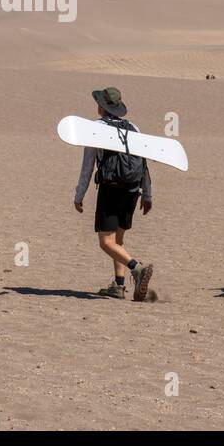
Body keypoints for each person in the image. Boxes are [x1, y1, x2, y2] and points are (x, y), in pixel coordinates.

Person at [73, 87, 154, 301]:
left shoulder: (96, 128)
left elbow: (87, 165)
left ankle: (138, 269)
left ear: (102, 106)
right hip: (132, 189)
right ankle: (118, 286)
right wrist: (147, 194)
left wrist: (79, 194)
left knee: (106, 242)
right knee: (118, 239)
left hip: (111, 188)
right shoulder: (133, 128)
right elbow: (143, 162)